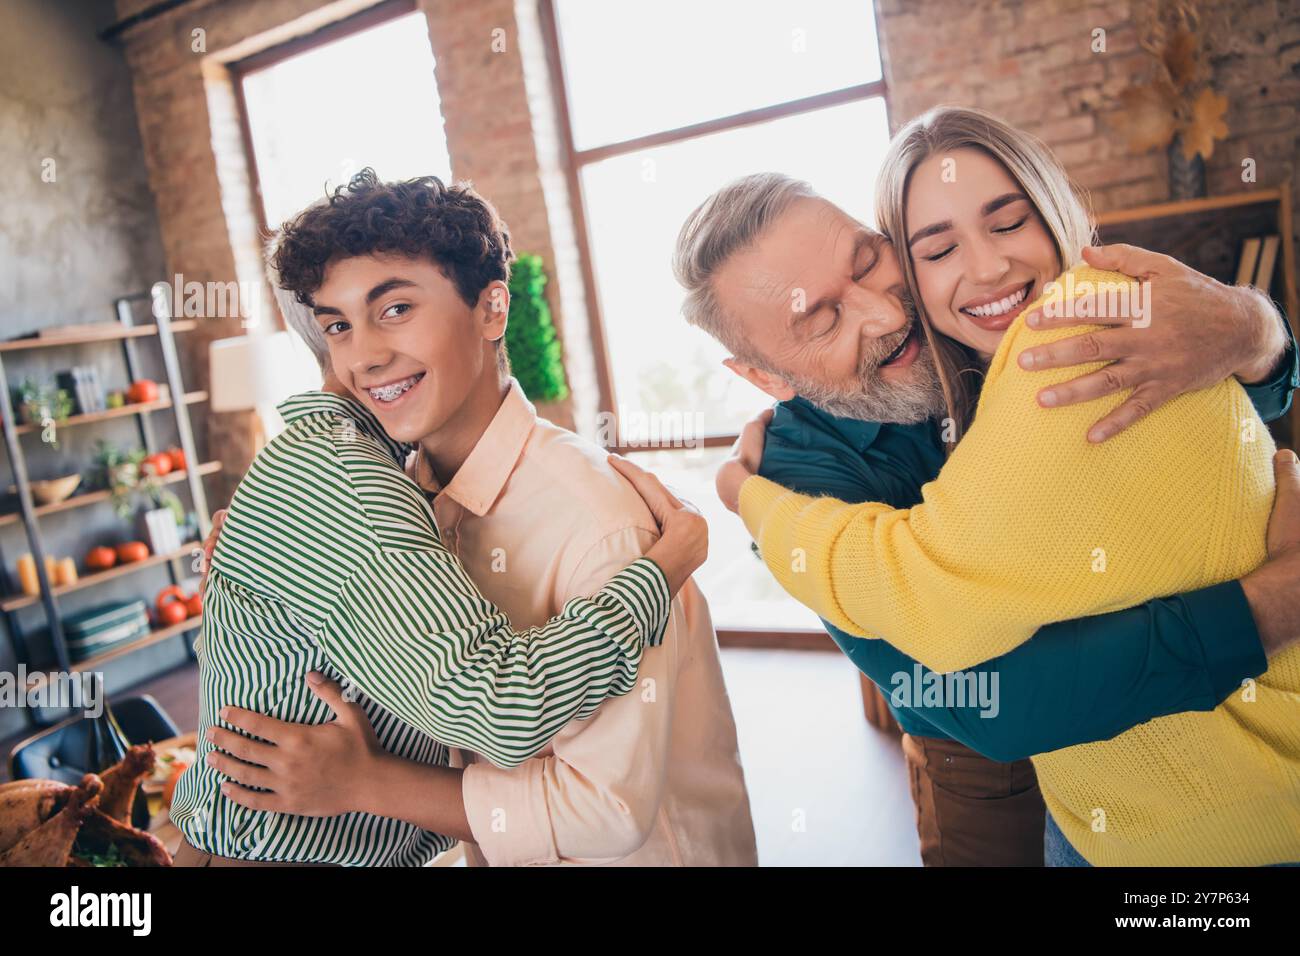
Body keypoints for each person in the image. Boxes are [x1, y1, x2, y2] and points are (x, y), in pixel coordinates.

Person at [708, 106, 1300, 866]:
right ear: (763, 376)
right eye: (822, 321)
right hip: (985, 765)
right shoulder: (799, 472)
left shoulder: (1052, 327)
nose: (888, 313)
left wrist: (1256, 332)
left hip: (1205, 787)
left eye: (867, 262)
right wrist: (1271, 605)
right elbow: (997, 704)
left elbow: (1232, 411)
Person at [201, 170, 757, 866]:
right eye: (337, 326)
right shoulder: (394, 502)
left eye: (395, 308)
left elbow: (603, 812)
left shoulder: (601, 524)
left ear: (493, 310)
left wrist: (366, 784)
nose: (364, 357)